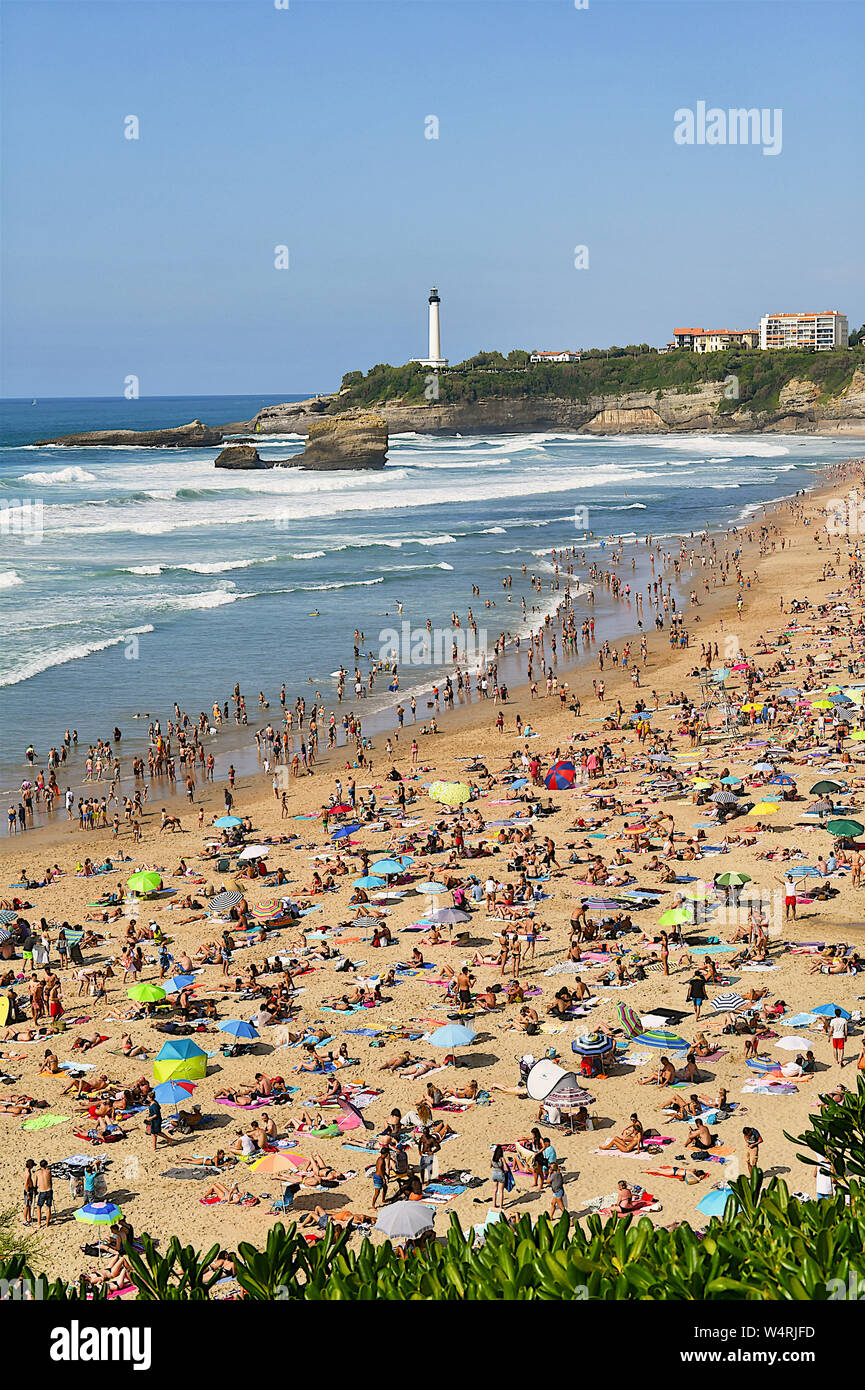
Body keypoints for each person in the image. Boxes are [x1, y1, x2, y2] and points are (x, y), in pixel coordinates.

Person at [35, 1158, 53, 1227]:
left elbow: (35, 1184)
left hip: (42, 1191)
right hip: (49, 1190)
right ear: (45, 1165)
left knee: (39, 1207)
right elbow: (50, 1181)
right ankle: (47, 1224)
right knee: (48, 1207)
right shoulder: (49, 1171)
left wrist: (35, 1190)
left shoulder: (37, 1172)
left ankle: (39, 1223)